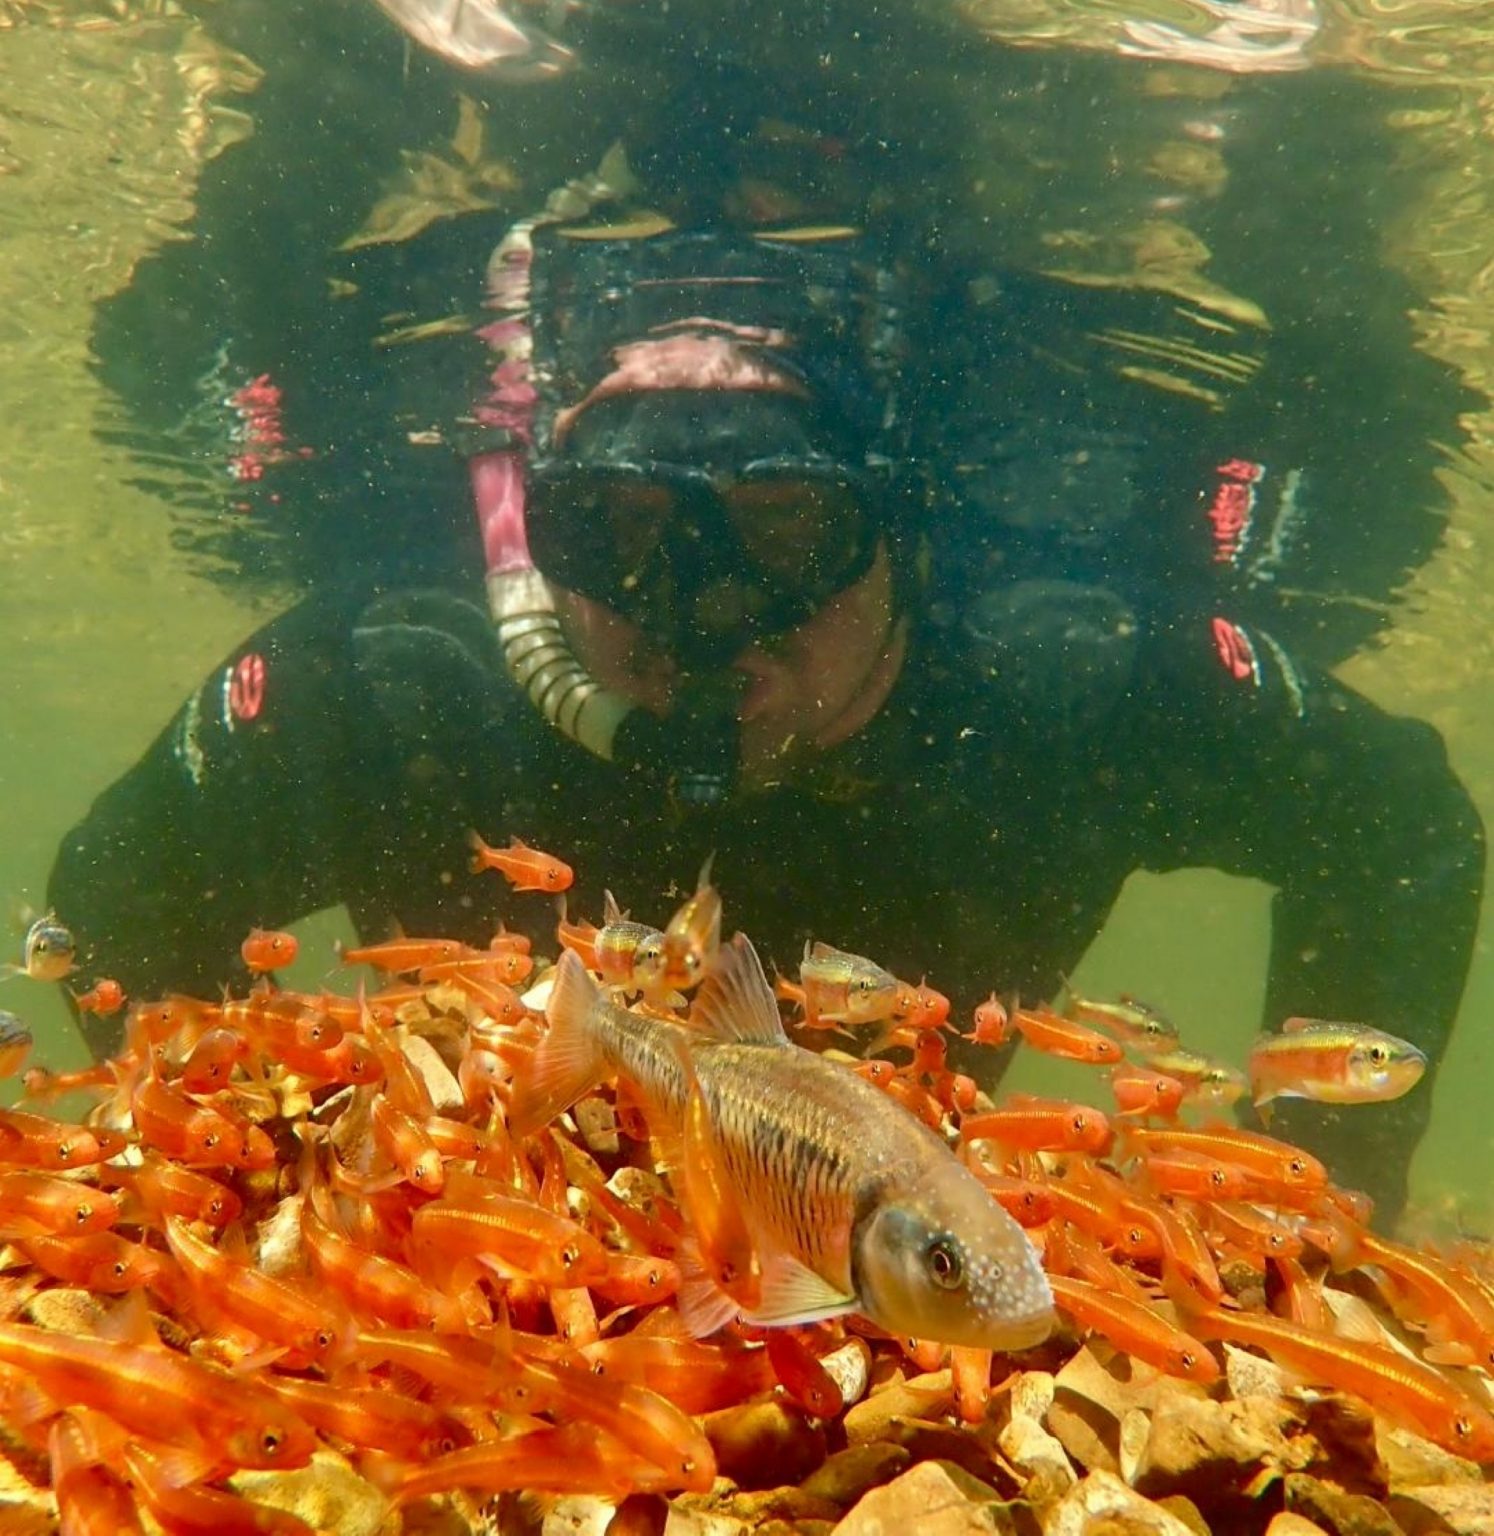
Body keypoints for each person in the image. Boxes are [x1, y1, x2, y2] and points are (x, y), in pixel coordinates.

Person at [48, 45, 1483, 1225]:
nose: (702, 610)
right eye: (614, 532)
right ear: (529, 530)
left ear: (904, 535)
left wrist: (1317, 1197)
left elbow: (1397, 819)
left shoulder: (1066, 678)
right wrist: (265, 1198)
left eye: (787, 526)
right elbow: (109, 913)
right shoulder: (393, 690)